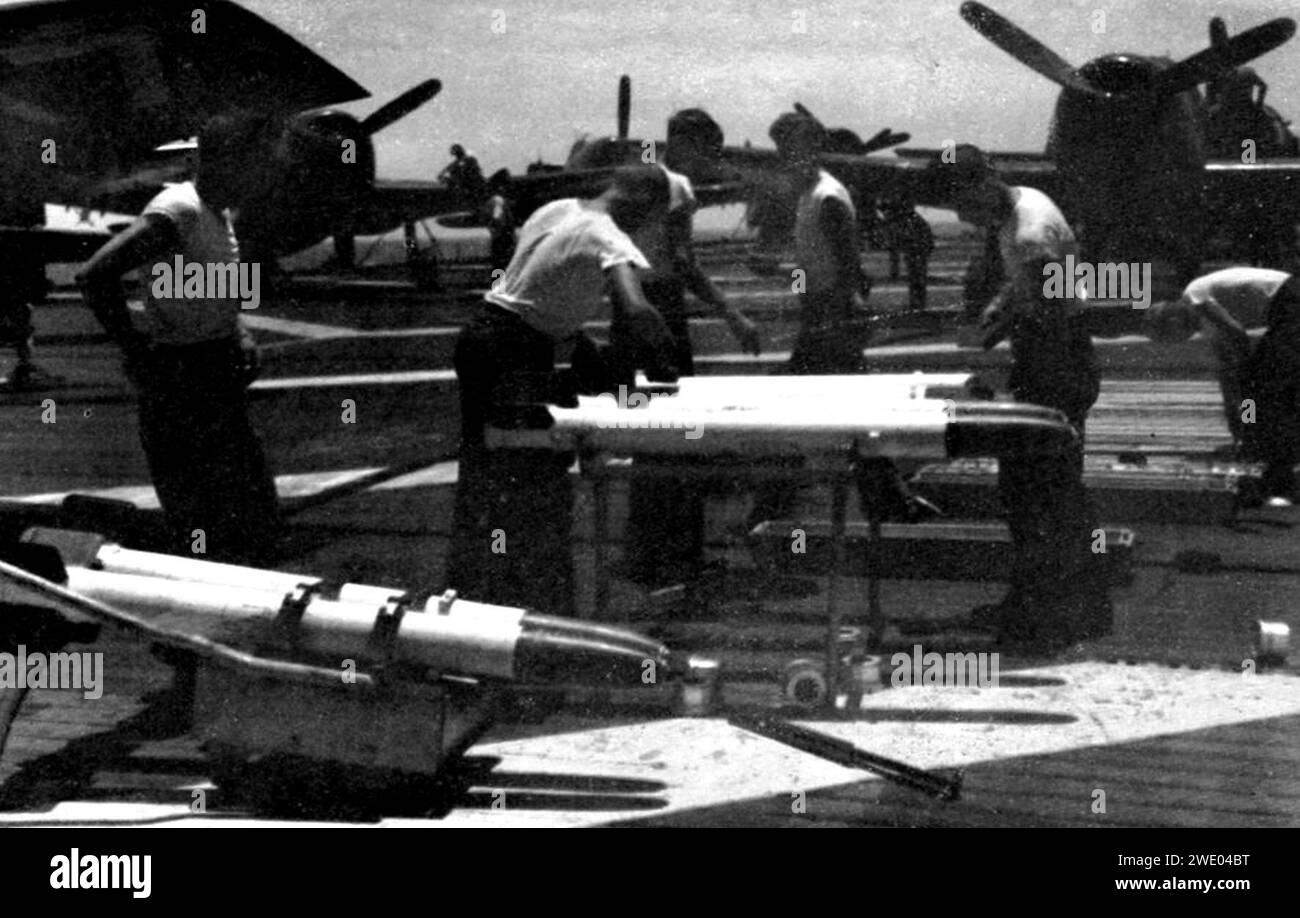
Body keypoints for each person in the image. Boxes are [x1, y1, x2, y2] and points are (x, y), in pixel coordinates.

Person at [446, 166, 678, 617]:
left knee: (482, 477)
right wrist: (662, 350)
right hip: (516, 354)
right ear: (644, 204)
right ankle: (537, 605)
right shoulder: (608, 235)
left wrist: (593, 361)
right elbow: (635, 308)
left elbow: (537, 290)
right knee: (536, 481)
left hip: (481, 338)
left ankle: (472, 599)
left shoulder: (556, 211)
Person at [75, 113, 280, 565]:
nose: (269, 173)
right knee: (204, 527)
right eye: (261, 161)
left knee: (252, 520)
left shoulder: (218, 211)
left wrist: (238, 330)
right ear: (229, 160)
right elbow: (94, 275)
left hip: (215, 370)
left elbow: (201, 279)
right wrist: (135, 348)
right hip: (181, 381)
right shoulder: (178, 210)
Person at [932, 143, 1110, 648]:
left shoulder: (1029, 231)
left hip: (1055, 359)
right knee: (1050, 489)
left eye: (964, 204)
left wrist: (998, 335)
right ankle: (1056, 604)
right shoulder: (1025, 203)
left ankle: (1045, 615)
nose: (965, 218)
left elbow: (1049, 308)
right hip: (1057, 355)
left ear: (983, 182)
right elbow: (1027, 287)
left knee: (1036, 492)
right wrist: (999, 307)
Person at [748, 113, 931, 532]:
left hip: (830, 317)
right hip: (823, 312)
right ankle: (891, 499)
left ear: (810, 148)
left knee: (792, 407)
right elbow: (816, 265)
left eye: (788, 149)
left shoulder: (827, 196)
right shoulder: (812, 193)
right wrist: (779, 272)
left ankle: (771, 509)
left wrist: (850, 308)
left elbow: (848, 263)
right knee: (850, 414)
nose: (783, 157)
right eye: (780, 149)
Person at [620, 109, 761, 587]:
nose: (711, 165)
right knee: (679, 433)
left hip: (628, 309)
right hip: (661, 310)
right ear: (689, 144)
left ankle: (645, 555)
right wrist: (733, 313)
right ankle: (680, 556)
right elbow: (684, 264)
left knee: (645, 434)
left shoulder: (636, 180)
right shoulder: (677, 186)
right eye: (710, 152)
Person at [1149, 267, 1300, 506]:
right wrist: (1236, 407)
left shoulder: (1194, 296)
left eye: (1177, 334)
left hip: (1289, 300)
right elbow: (1227, 368)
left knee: (1268, 390)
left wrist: (1245, 388)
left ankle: (1278, 474)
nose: (1186, 338)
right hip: (1286, 304)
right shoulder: (1204, 319)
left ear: (1174, 319)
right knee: (1270, 388)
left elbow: (1237, 333)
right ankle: (1271, 456)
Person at [438, 144, 486, 209]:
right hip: (464, 188)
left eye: (456, 152)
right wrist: (445, 178)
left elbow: (473, 173)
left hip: (471, 188)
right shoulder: (456, 163)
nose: (456, 155)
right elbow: (442, 174)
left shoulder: (469, 160)